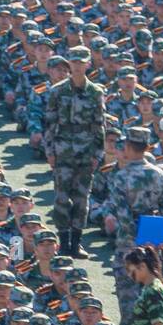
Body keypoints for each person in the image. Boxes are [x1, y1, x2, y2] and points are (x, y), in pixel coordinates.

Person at [41, 47, 107, 258]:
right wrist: (49, 151)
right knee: (61, 197)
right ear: (70, 64)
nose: (78, 66)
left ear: (88, 64)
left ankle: (76, 242)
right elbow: (50, 124)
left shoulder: (96, 92)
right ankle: (64, 241)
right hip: (63, 150)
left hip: (86, 151)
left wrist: (98, 154)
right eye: (74, 62)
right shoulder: (57, 91)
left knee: (81, 198)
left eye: (82, 62)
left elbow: (100, 125)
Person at [105, 128, 163, 324]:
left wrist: (136, 240)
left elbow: (123, 214)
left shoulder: (121, 176)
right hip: (153, 240)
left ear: (127, 147)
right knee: (153, 297)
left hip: (129, 244)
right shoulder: (159, 174)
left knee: (128, 296)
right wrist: (156, 238)